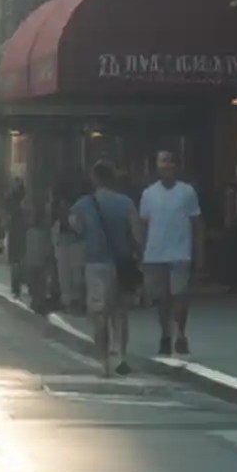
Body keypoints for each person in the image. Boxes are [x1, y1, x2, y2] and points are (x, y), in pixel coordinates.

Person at [71, 161, 140, 377]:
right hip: (121, 263)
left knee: (99, 313)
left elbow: (77, 229)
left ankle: (103, 361)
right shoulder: (126, 203)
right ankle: (120, 357)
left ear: (94, 179)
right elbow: (137, 233)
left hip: (95, 263)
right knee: (120, 313)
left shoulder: (82, 205)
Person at [139, 150, 202, 356]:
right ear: (156, 166)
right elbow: (143, 224)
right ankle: (165, 335)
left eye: (169, 162)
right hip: (156, 253)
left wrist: (199, 250)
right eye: (162, 162)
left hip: (180, 252)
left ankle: (181, 333)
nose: (166, 166)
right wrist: (141, 251)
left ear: (176, 166)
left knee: (180, 296)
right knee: (162, 298)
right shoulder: (148, 194)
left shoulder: (187, 192)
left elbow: (196, 222)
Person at [52, 173, 90, 315]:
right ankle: (74, 303)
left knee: (68, 275)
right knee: (74, 275)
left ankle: (72, 303)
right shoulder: (79, 205)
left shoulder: (71, 207)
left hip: (69, 242)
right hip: (73, 242)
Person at [3, 177, 28, 298]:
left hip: (14, 230)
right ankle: (21, 284)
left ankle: (15, 287)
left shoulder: (10, 200)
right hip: (23, 231)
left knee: (14, 260)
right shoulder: (25, 203)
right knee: (22, 258)